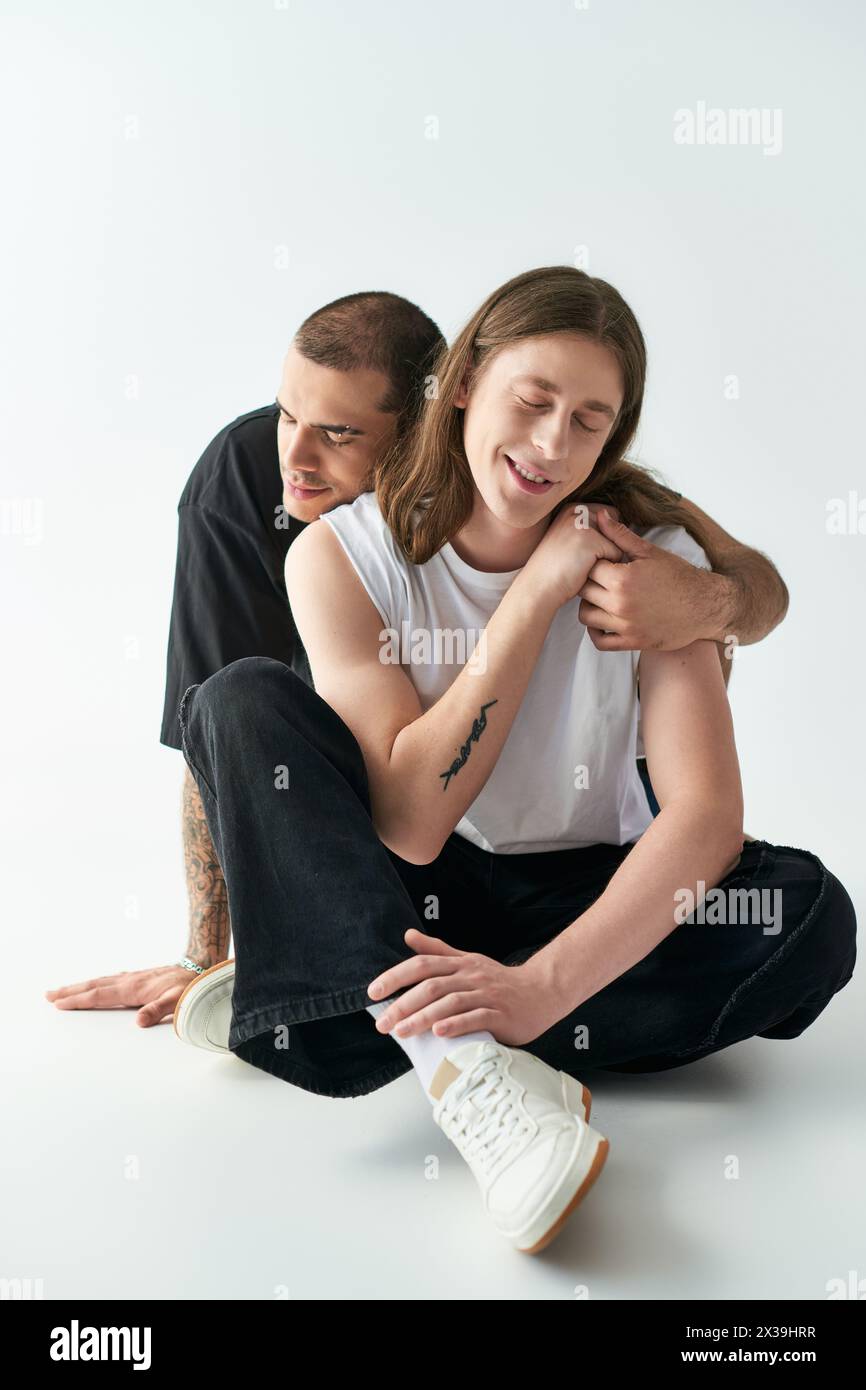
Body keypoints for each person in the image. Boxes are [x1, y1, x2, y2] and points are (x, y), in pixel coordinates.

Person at [172, 266, 856, 1253]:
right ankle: (457, 1061)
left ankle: (341, 990)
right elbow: (409, 819)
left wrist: (541, 985)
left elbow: (702, 818)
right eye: (531, 403)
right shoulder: (339, 558)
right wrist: (534, 596)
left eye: (587, 420)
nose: (550, 445)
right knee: (237, 700)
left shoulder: (644, 555)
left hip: (584, 894)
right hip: (412, 889)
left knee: (811, 917)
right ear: (461, 385)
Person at [45, 286, 787, 1031]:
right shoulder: (259, 488)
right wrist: (203, 957)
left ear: (426, 418)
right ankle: (377, 995)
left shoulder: (619, 514)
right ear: (468, 391)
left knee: (797, 908)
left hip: (564, 853)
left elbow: (757, 593)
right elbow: (224, 738)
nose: (295, 458)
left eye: (338, 434)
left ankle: (395, 1006)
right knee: (244, 698)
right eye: (287, 416)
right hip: (383, 816)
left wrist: (695, 605)